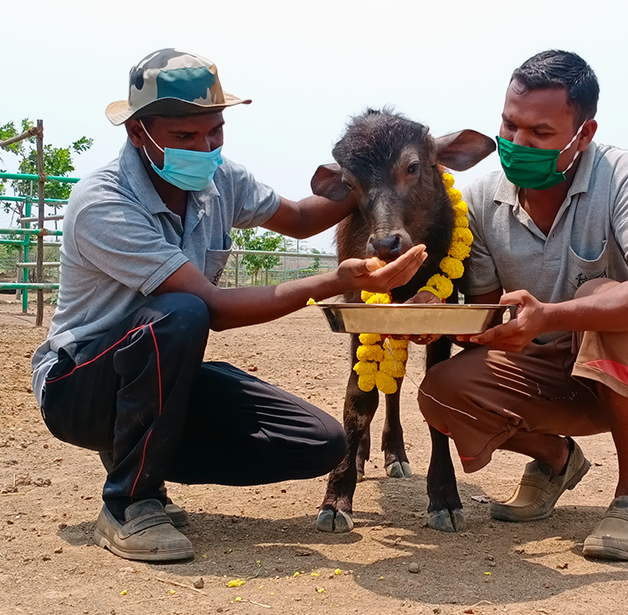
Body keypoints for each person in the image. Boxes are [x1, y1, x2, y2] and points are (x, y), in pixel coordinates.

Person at [30, 48, 427, 562]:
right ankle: (129, 503)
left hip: (162, 378)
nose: (206, 146)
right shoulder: (104, 203)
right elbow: (211, 306)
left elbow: (304, 218)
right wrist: (331, 280)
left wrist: (381, 178)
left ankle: (138, 453)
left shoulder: (221, 179)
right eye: (185, 137)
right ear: (138, 134)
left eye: (214, 130)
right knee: (183, 313)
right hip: (79, 386)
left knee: (321, 442)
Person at [417, 50, 628, 561]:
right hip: (545, 370)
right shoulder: (478, 200)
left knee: (602, 298)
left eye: (540, 134)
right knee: (441, 390)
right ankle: (556, 457)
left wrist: (556, 315)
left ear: (581, 135)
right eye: (509, 125)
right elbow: (487, 318)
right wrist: (437, 319)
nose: (517, 144)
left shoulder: (623, 175)